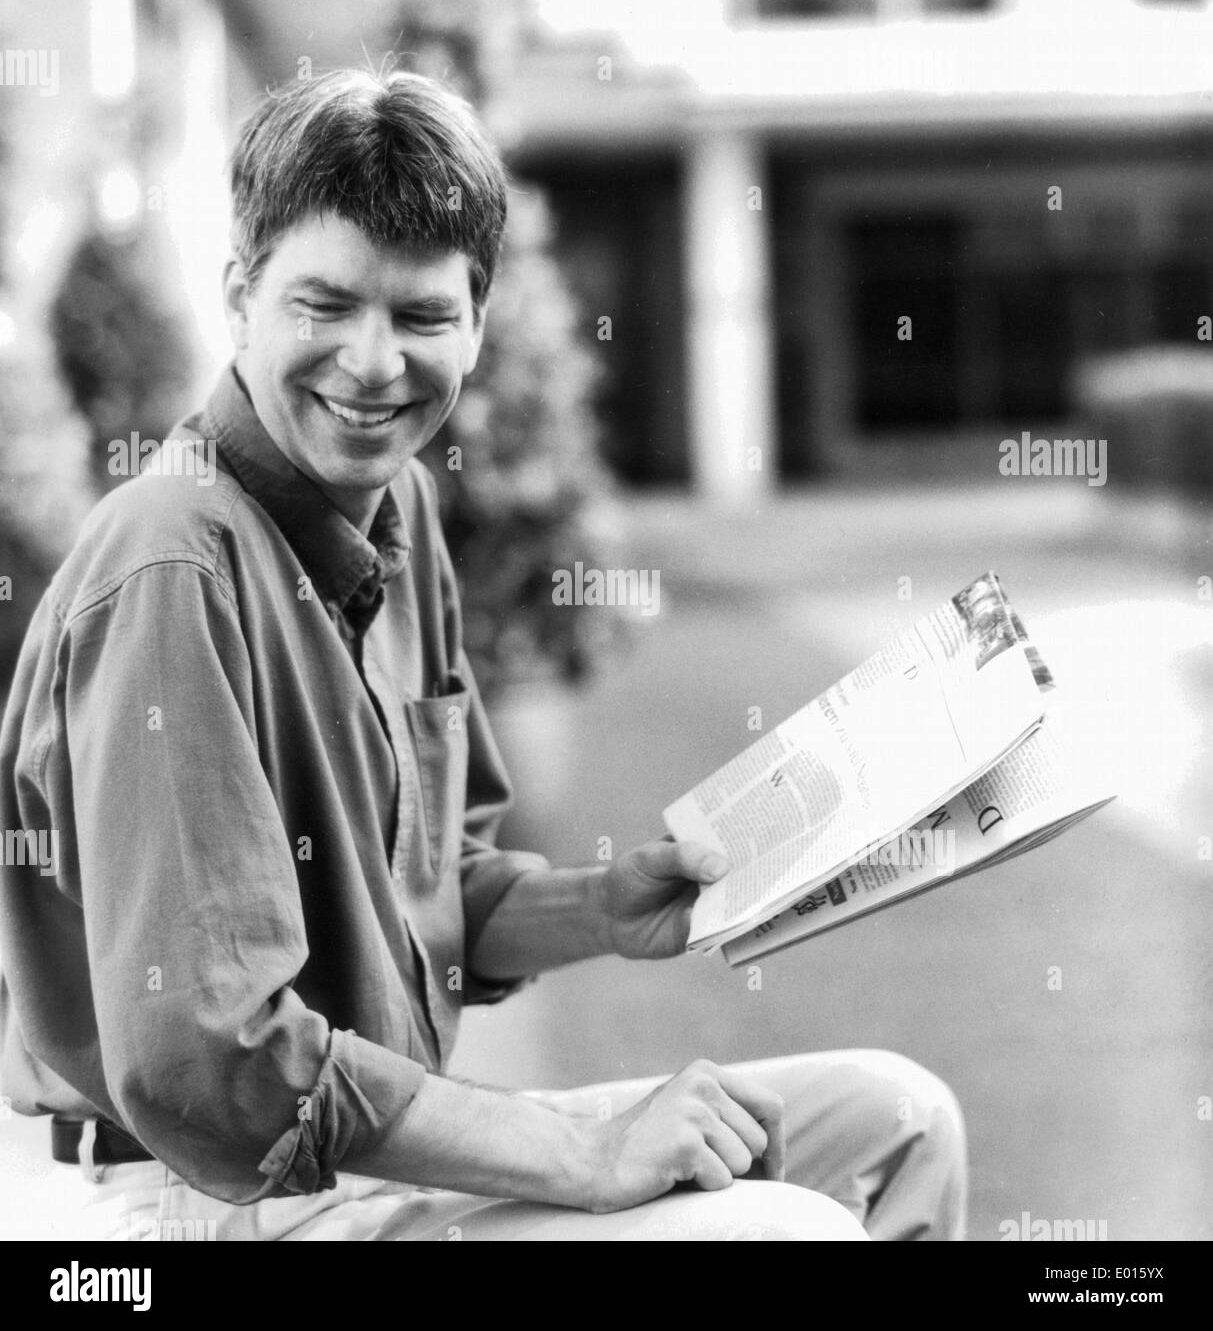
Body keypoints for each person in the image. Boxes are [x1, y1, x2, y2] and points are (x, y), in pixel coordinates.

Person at [0, 69, 966, 1242]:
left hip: (362, 1165)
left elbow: (431, 892)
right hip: (187, 1204)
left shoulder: (395, 510)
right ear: (240, 294)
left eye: (419, 318)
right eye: (324, 306)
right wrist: (583, 1151)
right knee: (779, 1230)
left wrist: (603, 906)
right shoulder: (172, 565)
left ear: (475, 320)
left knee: (897, 1120)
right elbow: (210, 1065)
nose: (371, 364)